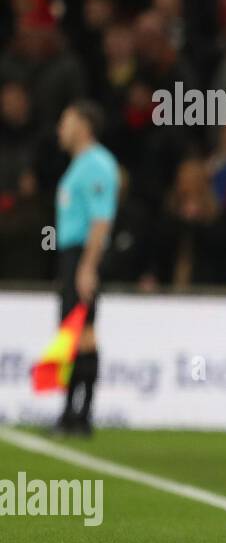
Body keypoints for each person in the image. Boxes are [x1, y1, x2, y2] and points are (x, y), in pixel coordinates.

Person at [52, 100, 119, 436]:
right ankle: (70, 413)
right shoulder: (79, 164)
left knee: (84, 331)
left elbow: (101, 219)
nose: (59, 129)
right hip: (70, 254)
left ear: (83, 125)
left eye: (65, 121)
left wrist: (88, 265)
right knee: (73, 332)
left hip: (82, 254)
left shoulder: (96, 164)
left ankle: (83, 415)